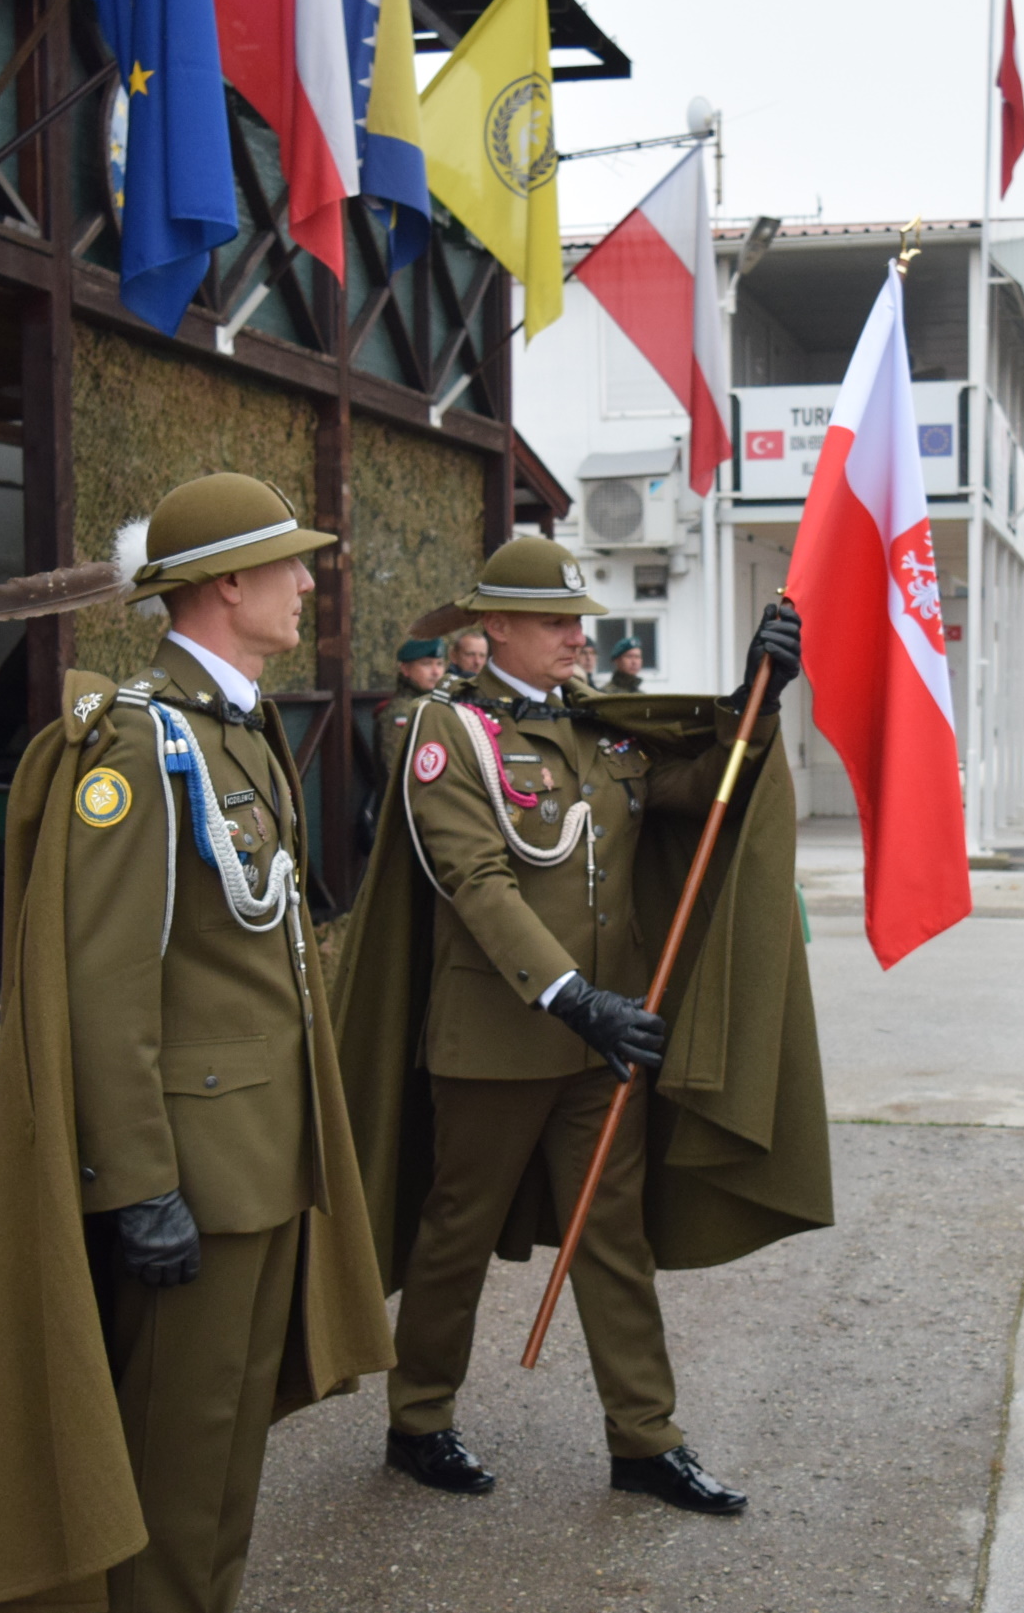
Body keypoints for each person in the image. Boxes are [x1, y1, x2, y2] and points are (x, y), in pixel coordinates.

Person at [0, 474, 392, 1613]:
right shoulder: (137, 751)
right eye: (288, 570)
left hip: (259, 1150)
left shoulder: (227, 733)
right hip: (194, 1164)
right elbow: (105, 986)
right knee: (179, 1451)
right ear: (223, 589)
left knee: (227, 1448)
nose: (308, 587)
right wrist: (136, 1186)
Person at [337, 536, 830, 1514]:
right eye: (558, 621)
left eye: (579, 620)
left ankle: (645, 1436)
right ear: (499, 627)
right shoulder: (448, 737)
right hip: (503, 1038)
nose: (578, 635)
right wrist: (573, 997)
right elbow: (475, 882)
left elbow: (698, 793)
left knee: (611, 1237)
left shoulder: (600, 734)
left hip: (605, 1041)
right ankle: (420, 1415)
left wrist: (758, 696)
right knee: (457, 1232)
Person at [374, 636, 449, 777]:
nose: (435, 672)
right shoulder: (401, 712)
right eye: (426, 664)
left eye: (439, 664)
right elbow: (397, 771)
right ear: (405, 669)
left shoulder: (440, 705)